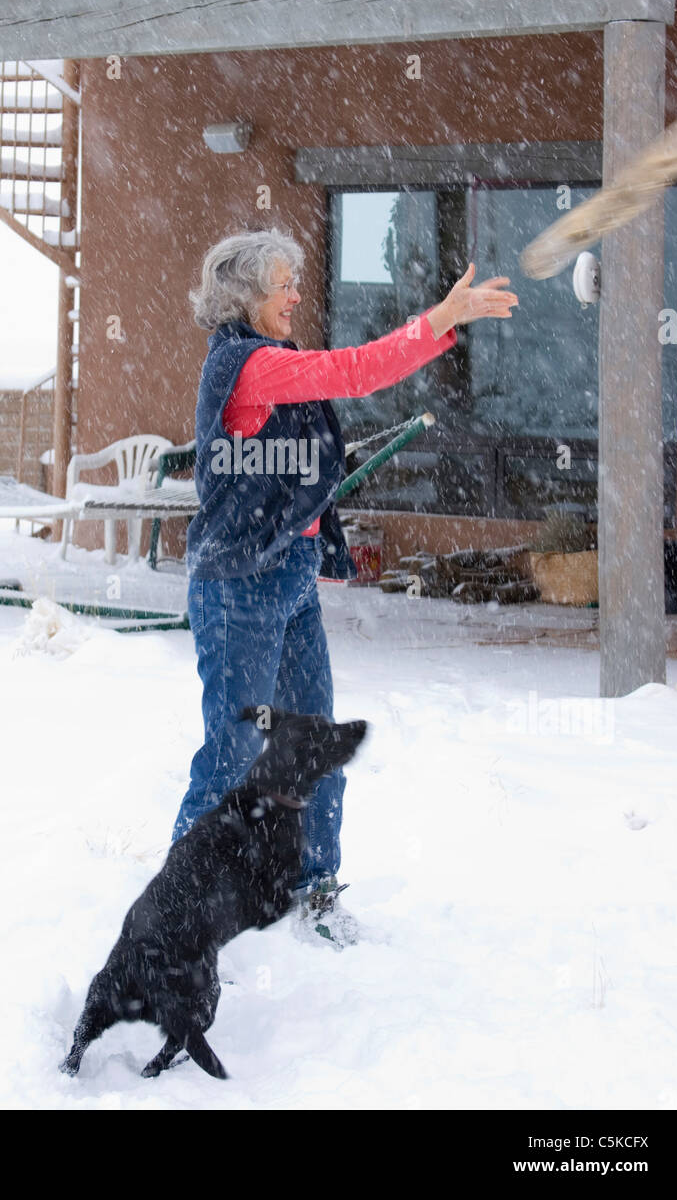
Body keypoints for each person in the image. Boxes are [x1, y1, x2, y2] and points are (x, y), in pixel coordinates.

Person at [171, 228, 518, 944]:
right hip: (240, 587)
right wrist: (440, 319)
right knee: (234, 755)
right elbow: (356, 372)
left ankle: (314, 884)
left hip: (290, 575)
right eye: (283, 286)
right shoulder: (248, 365)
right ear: (244, 297)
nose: (297, 295)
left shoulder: (271, 357)